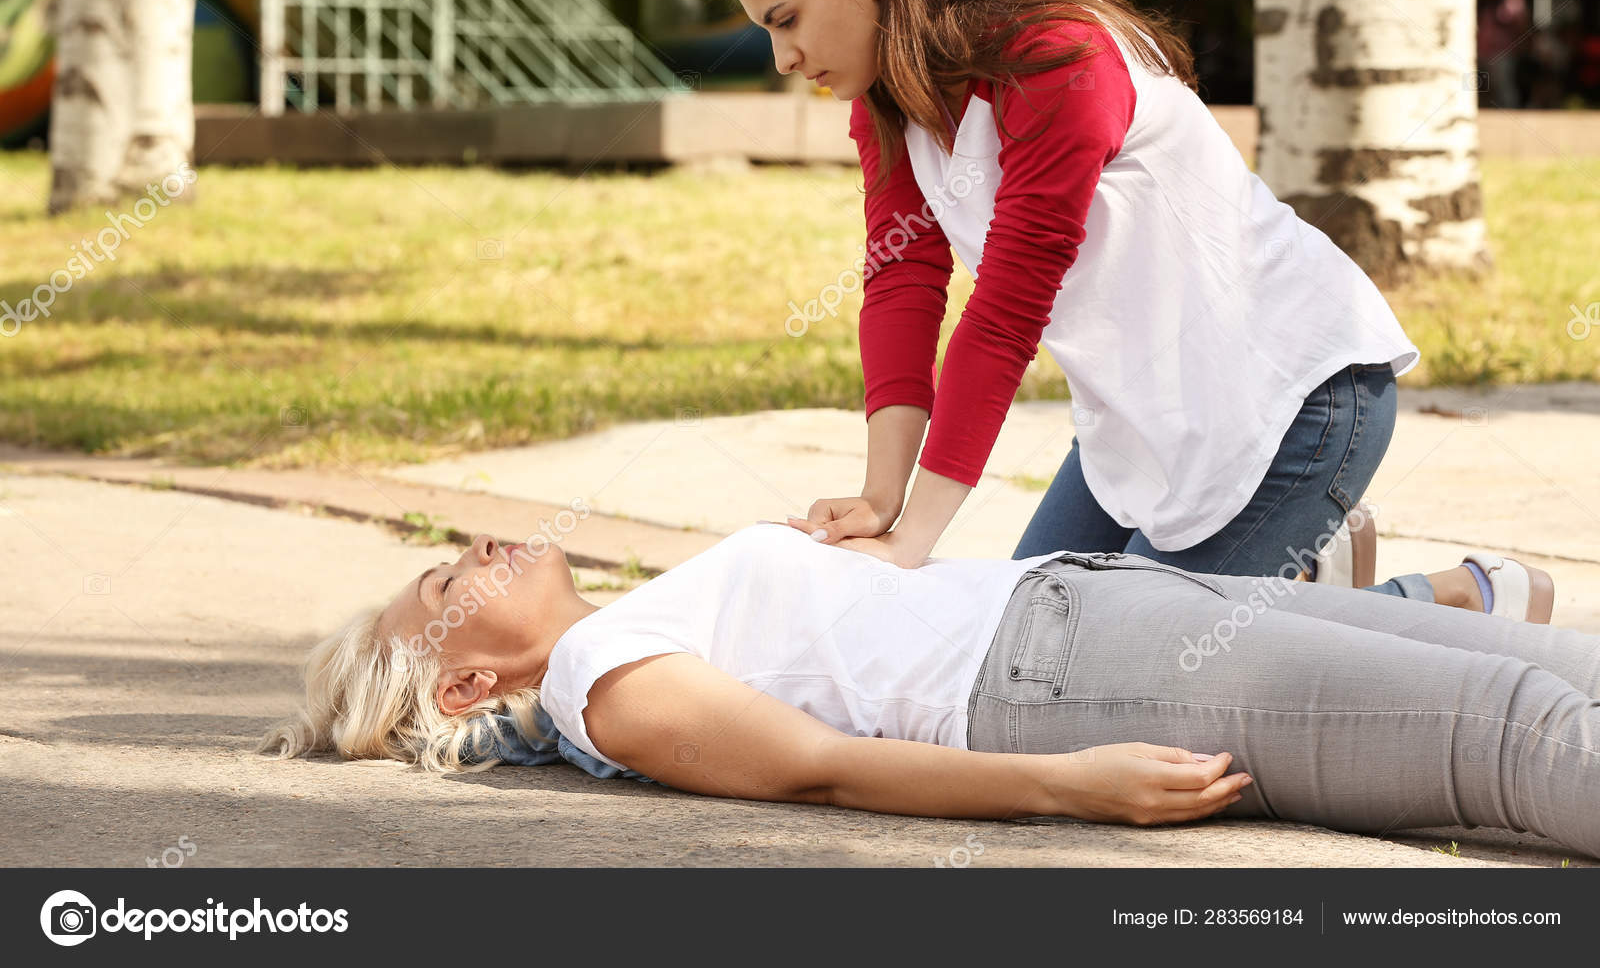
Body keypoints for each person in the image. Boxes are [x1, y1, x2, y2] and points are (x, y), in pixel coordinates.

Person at [714, 0, 1425, 587]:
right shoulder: (888, 100)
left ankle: (1428, 591)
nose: (783, 58)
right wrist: (880, 500)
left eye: (786, 19)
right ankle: (1313, 580)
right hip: (1139, 425)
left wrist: (908, 545)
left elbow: (1006, 313)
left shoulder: (1057, 58)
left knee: (1122, 658)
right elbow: (902, 281)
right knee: (1025, 635)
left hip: (1295, 399)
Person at [257, 523, 1595, 858]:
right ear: (466, 680)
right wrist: (1067, 787)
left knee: (1548, 668)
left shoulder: (642, 617)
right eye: (444, 584)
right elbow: (820, 767)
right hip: (1054, 681)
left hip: (1087, 599)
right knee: (1516, 734)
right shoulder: (605, 688)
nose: (474, 550)